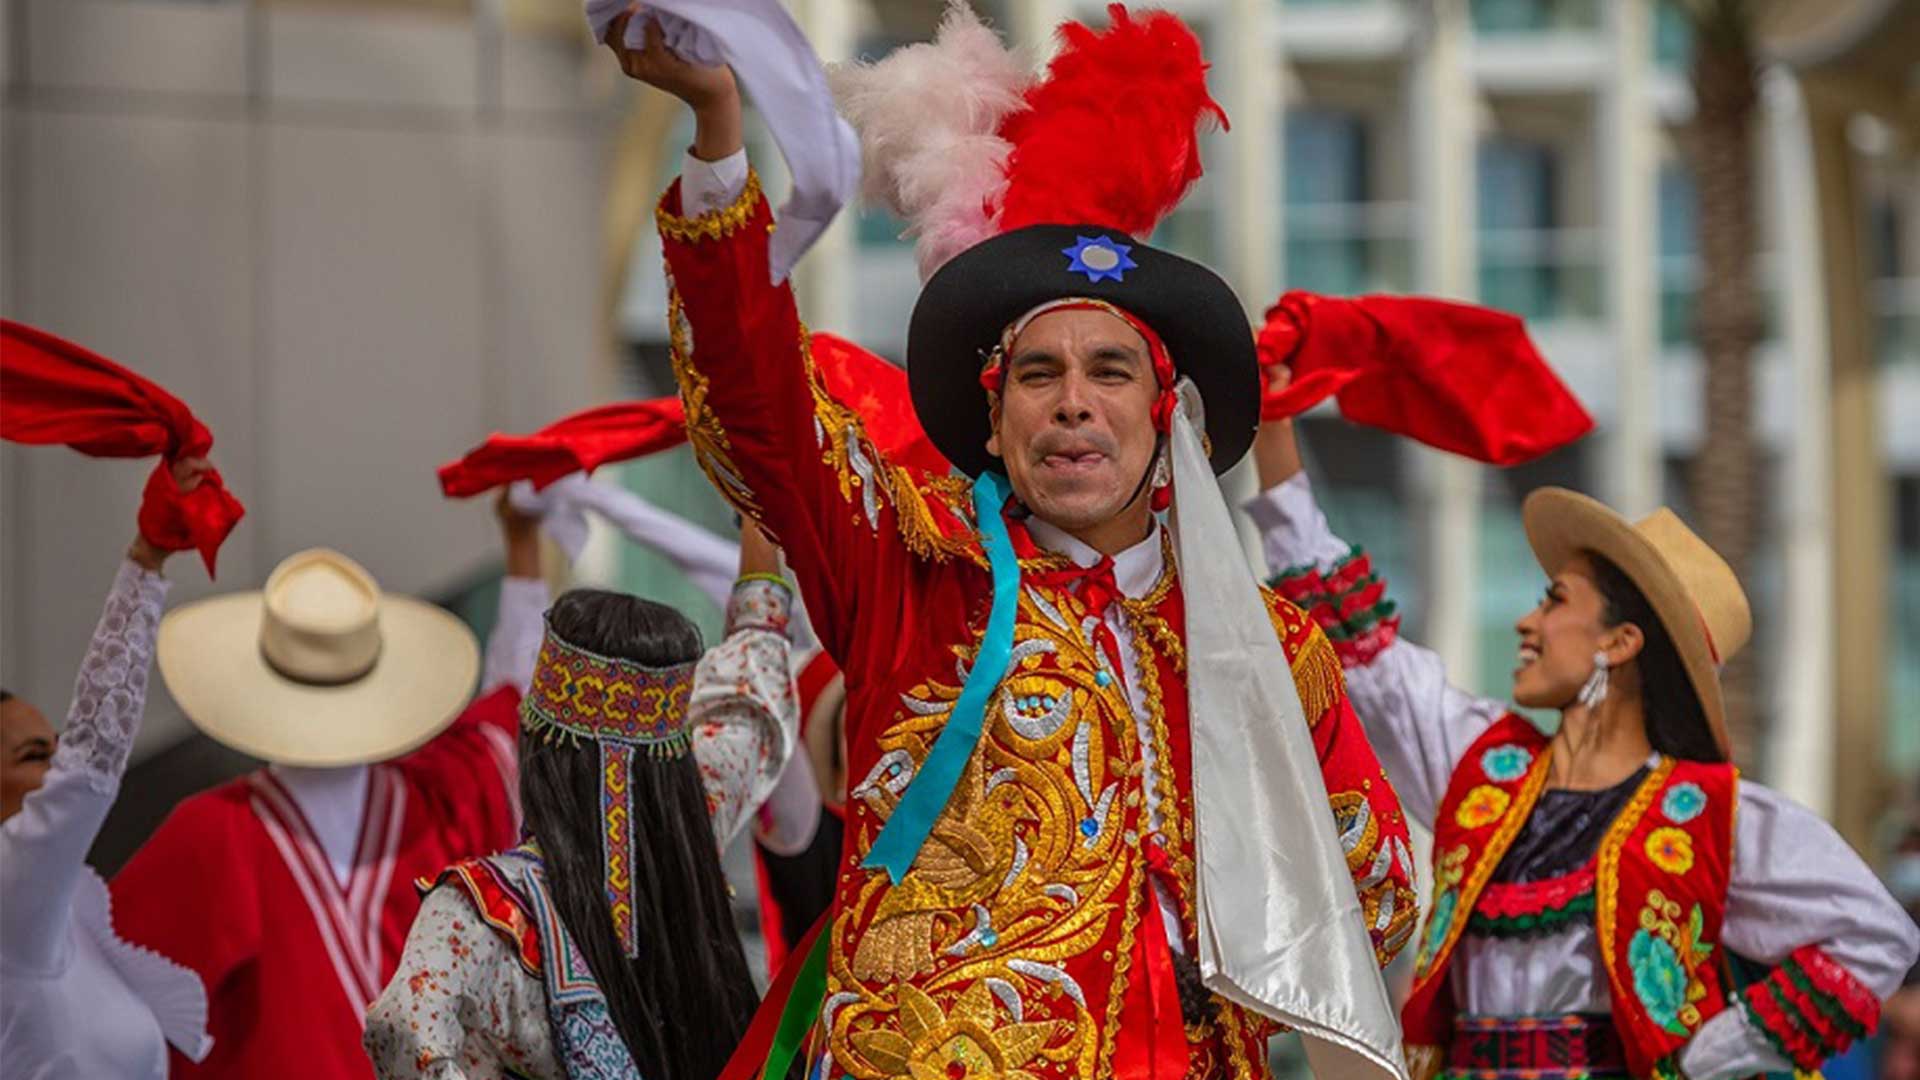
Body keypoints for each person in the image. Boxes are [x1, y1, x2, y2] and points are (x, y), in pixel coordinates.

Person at [612, 5, 1418, 1077]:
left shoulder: (1274, 652)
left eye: (1110, 372)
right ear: (994, 420)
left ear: (1167, 414)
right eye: (1039, 375)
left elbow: (1378, 889)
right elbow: (761, 412)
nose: (1074, 404)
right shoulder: (909, 573)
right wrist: (718, 131)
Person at [1246, 396, 1920, 1080]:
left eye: (1555, 599)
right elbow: (1362, 649)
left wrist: (1707, 1058)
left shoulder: (1712, 815)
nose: (1526, 623)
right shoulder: (1486, 770)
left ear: (1621, 642)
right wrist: (1274, 436)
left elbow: (1874, 933)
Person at [108, 494, 550, 1078]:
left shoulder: (211, 835)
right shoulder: (443, 799)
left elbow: (106, 1005)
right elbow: (516, 700)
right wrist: (523, 548)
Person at [363, 520, 800, 1079]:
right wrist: (761, 527)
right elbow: (750, 699)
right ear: (670, 751)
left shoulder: (484, 913)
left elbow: (403, 1029)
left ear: (540, 747)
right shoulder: (692, 827)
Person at [0, 459, 215, 1078]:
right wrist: (145, 562)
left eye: (56, 744)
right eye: (33, 755)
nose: (58, 763)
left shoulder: (58, 910)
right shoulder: (12, 901)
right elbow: (90, 762)